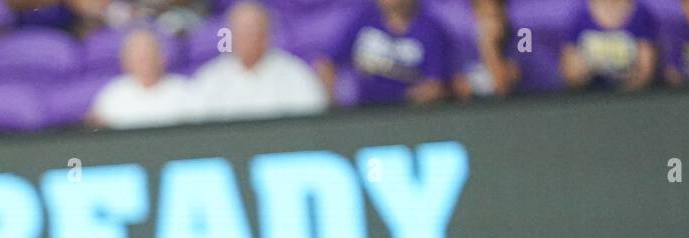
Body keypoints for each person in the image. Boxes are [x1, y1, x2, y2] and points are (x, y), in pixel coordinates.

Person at [189, 2, 328, 121]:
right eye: (242, 32)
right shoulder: (211, 78)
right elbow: (197, 125)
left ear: (267, 35)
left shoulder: (295, 74)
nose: (248, 39)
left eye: (254, 32)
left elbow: (311, 124)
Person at [317, 0, 451, 106]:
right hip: (363, 111)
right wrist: (332, 104)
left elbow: (435, 85)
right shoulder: (364, 19)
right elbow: (326, 63)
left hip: (410, 114)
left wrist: (412, 98)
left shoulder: (431, 29)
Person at [87, 28, 192, 129]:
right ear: (126, 60)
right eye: (138, 56)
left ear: (162, 57)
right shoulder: (113, 93)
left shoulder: (183, 90)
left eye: (149, 53)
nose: (144, 60)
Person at [560, 0, 658, 92]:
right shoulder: (579, 14)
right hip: (588, 98)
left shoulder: (641, 14)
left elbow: (645, 71)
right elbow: (570, 72)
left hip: (631, 99)